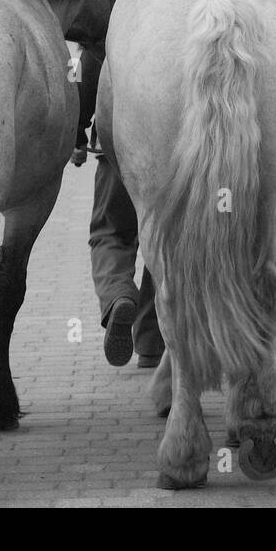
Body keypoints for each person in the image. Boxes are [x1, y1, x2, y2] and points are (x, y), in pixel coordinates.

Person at [72, 42, 164, 368]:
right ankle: (152, 343)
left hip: (120, 152)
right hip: (173, 154)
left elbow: (86, 68)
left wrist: (78, 134)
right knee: (162, 241)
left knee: (110, 232)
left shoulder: (120, 10)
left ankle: (118, 296)